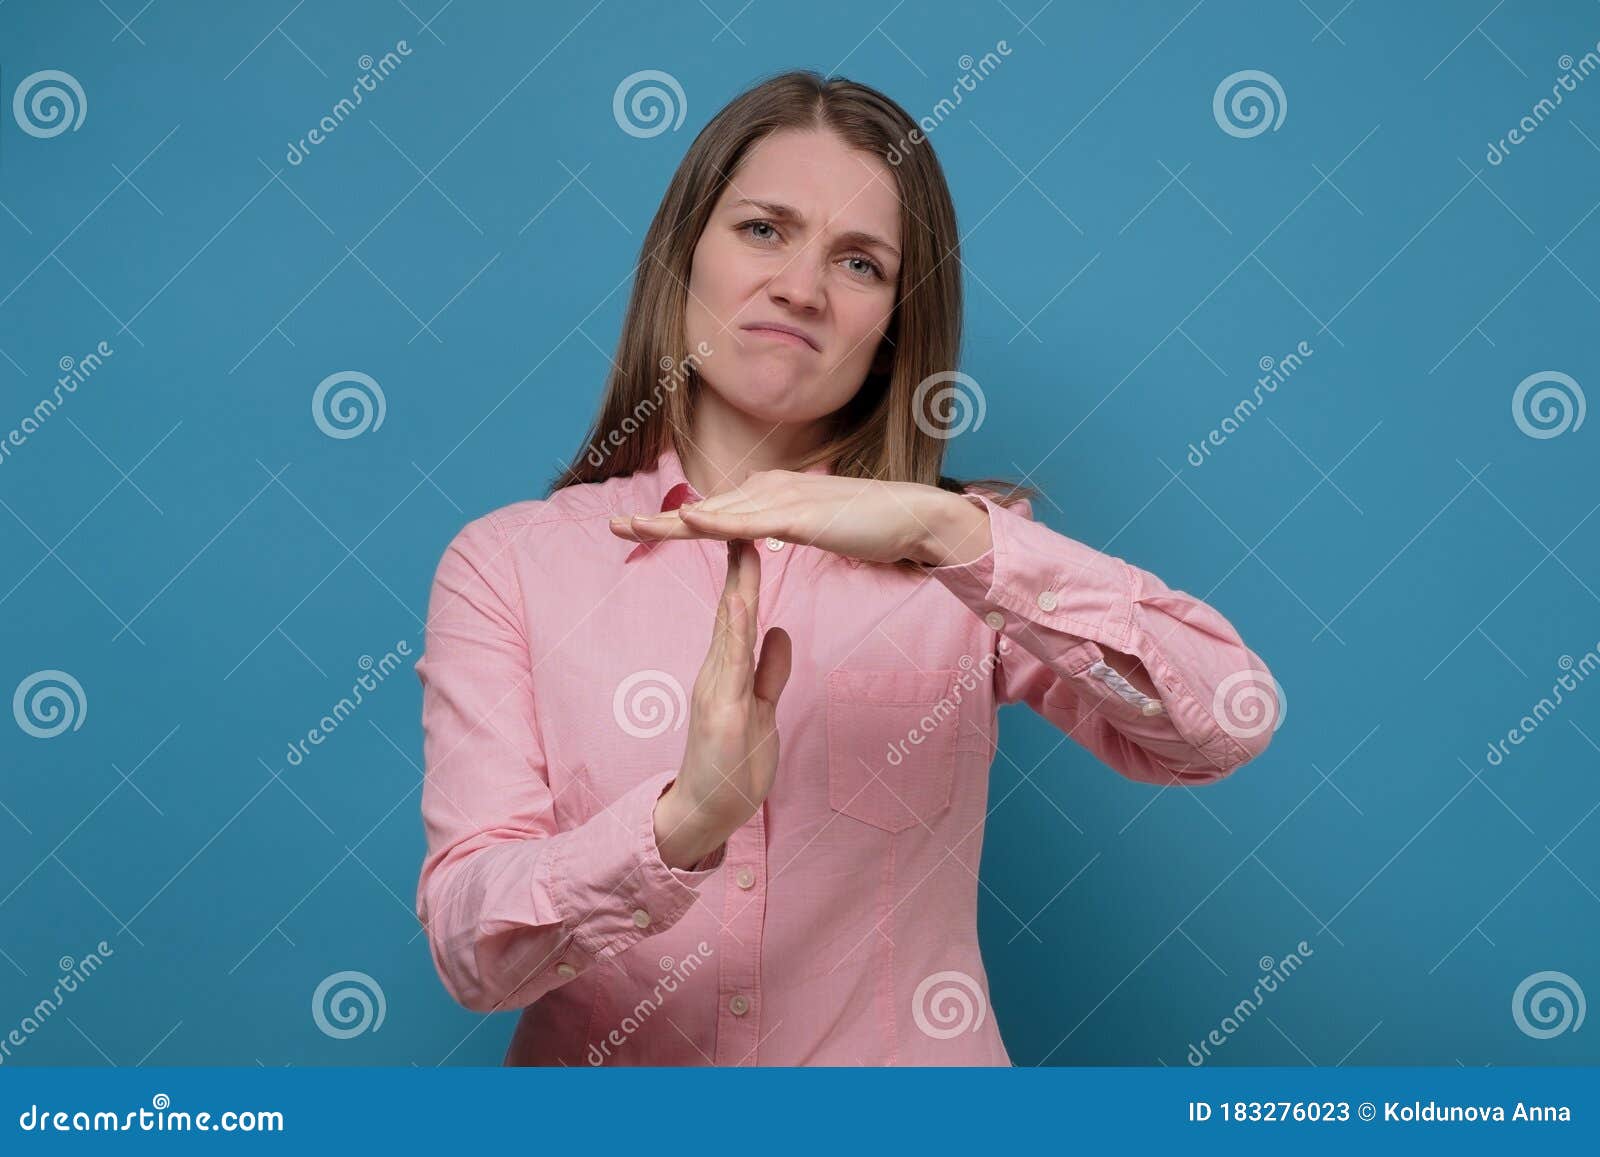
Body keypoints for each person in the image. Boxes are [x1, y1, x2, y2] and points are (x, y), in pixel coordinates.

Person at [414, 69, 1279, 1066]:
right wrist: (681, 822)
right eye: (763, 230)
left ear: (892, 332)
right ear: (681, 257)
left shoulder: (973, 558)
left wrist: (950, 532)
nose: (801, 287)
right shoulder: (510, 564)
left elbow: (1227, 723)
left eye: (860, 262)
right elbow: (473, 949)